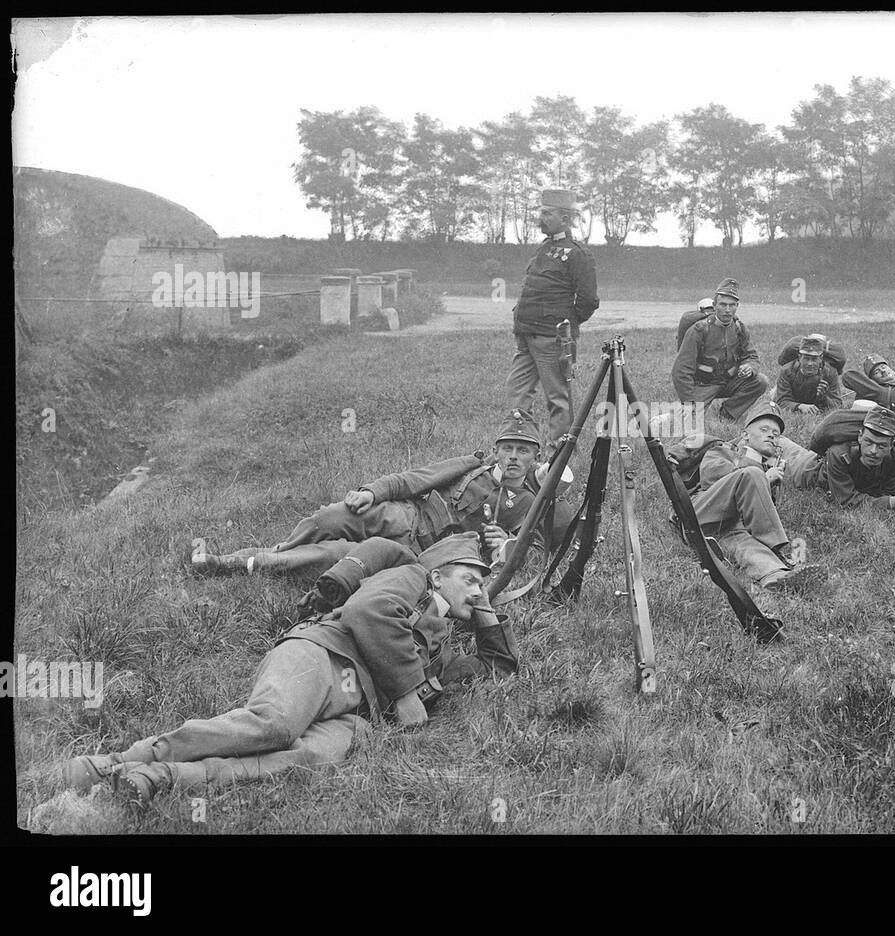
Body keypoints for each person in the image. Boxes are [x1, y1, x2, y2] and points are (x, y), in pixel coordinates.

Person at [63, 532, 516, 806]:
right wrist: (405, 692)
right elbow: (366, 612)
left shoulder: (444, 648)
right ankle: (117, 763)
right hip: (319, 656)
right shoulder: (411, 578)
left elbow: (497, 666)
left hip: (356, 713)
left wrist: (486, 609)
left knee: (302, 759)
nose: (477, 590)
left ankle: (162, 779)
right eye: (470, 580)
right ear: (438, 575)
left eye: (482, 584)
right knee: (273, 727)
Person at [191, 411, 572, 577]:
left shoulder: (529, 505)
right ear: (497, 449)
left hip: (420, 551)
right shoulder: (471, 464)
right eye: (508, 448)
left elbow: (530, 556)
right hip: (404, 515)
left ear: (537, 457)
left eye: (524, 451)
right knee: (331, 517)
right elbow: (413, 479)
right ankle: (277, 549)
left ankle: (235, 564)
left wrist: (503, 544)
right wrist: (372, 492)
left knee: (336, 555)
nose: (514, 458)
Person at [504, 189, 599, 450]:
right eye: (542, 212)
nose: (541, 217)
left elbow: (589, 301)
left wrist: (564, 324)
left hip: (551, 338)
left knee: (557, 397)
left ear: (566, 219)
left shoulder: (577, 254)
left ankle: (561, 453)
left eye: (548, 213)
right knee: (517, 393)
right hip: (526, 334)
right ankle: (519, 444)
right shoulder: (545, 248)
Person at [691, 403, 823, 591]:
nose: (771, 435)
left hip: (726, 528)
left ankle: (776, 575)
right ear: (745, 435)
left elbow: (756, 515)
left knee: (747, 546)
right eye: (764, 429)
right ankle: (780, 549)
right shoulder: (724, 451)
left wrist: (767, 479)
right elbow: (710, 478)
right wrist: (760, 475)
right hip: (698, 516)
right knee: (752, 474)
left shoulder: (767, 469)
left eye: (775, 434)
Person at [671, 278, 770, 423]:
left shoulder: (739, 328)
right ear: (714, 305)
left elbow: (751, 356)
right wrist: (689, 401)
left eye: (732, 305)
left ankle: (727, 414)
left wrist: (749, 367)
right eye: (723, 304)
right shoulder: (699, 330)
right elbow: (681, 370)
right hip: (703, 384)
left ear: (738, 306)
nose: (727, 310)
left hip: (729, 381)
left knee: (761, 381)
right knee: (686, 422)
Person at [818, 406, 895, 513]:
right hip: (806, 471)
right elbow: (844, 501)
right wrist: (891, 503)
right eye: (868, 442)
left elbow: (894, 492)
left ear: (891, 445)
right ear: (860, 437)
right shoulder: (840, 454)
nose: (873, 451)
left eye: (881, 446)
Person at [775, 334, 844, 414]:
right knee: (775, 394)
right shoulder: (787, 371)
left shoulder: (830, 373)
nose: (810, 363)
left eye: (814, 359)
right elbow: (781, 402)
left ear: (821, 358)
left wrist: (824, 398)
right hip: (795, 400)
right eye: (806, 358)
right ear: (799, 357)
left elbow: (838, 405)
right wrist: (799, 406)